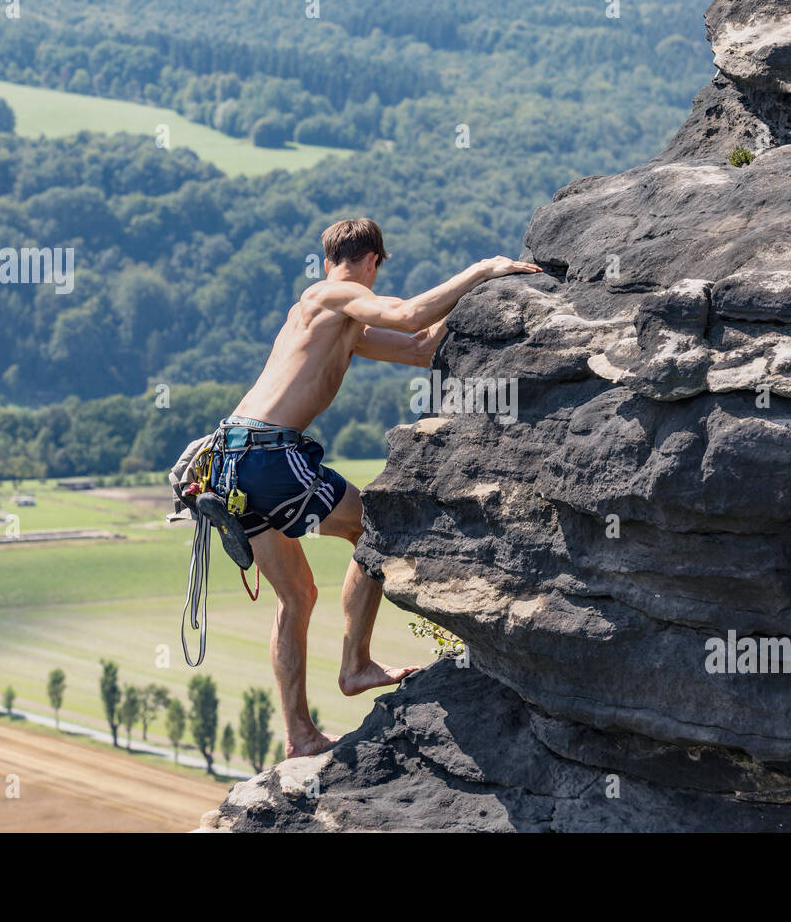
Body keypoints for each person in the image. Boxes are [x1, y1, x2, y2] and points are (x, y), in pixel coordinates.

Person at [205, 217, 541, 757]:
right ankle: (356, 665)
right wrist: (482, 270)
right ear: (374, 261)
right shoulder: (334, 295)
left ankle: (299, 736)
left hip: (230, 461)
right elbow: (408, 314)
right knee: (378, 528)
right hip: (269, 454)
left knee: (297, 596)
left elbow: (419, 345)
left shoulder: (329, 316)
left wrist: (479, 304)